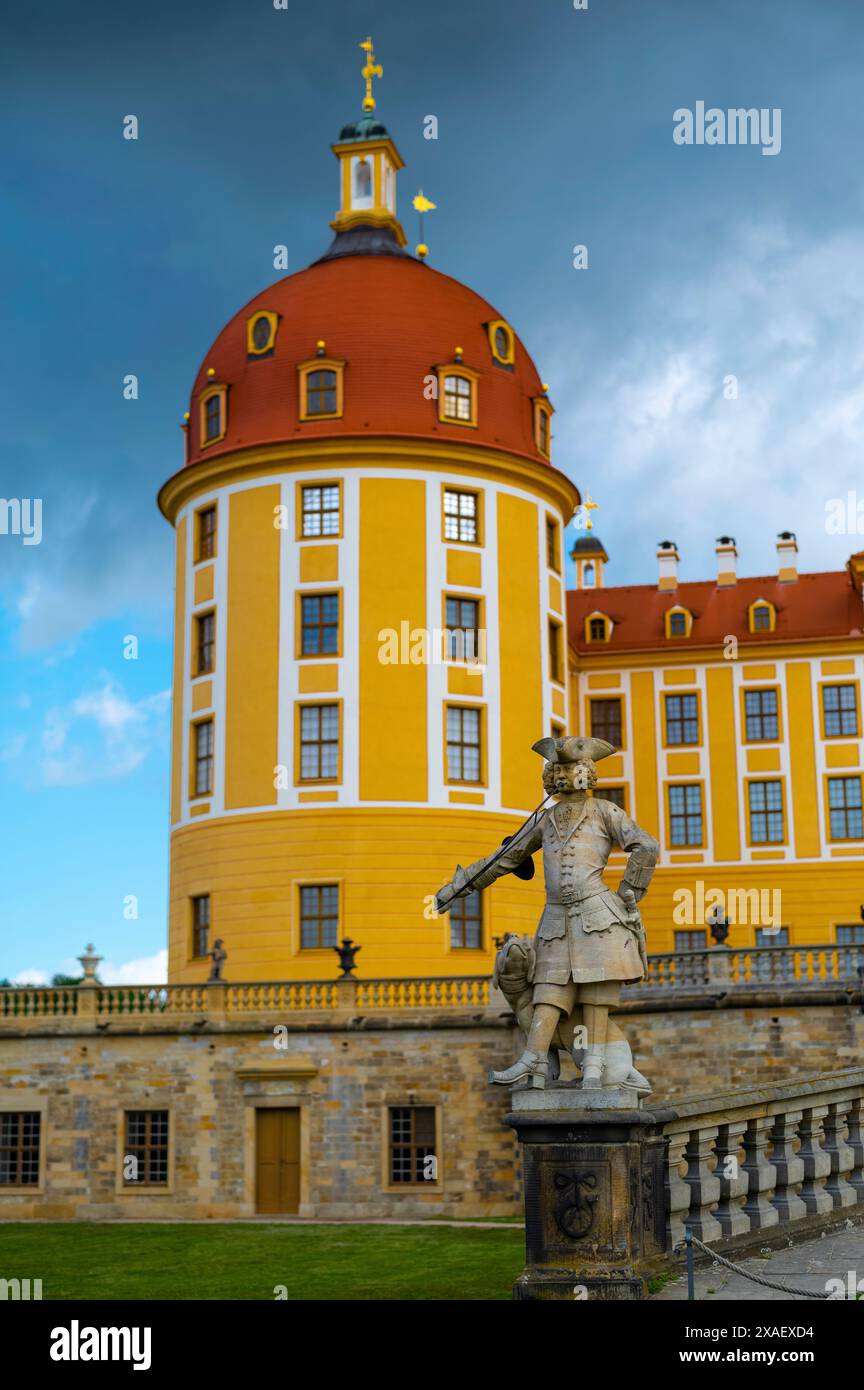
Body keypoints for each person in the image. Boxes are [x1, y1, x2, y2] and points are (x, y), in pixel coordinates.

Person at [435, 734, 658, 1091]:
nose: (562, 775)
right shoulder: (546, 818)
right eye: (557, 769)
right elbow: (504, 859)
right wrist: (456, 888)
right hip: (556, 916)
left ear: (586, 772)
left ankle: (595, 1068)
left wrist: (628, 893)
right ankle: (533, 1060)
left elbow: (646, 845)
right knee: (547, 989)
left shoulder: (605, 811)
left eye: (569, 768)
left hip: (598, 914)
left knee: (595, 994)